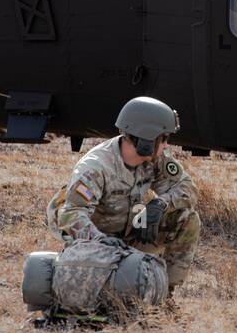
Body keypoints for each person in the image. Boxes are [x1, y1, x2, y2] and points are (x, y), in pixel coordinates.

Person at [46, 96, 201, 293]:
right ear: (147, 139)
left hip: (130, 228)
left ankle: (164, 293)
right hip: (94, 238)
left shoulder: (154, 158)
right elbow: (71, 214)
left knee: (187, 219)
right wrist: (100, 241)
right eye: (164, 139)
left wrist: (159, 205)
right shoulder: (96, 167)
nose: (166, 146)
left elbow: (187, 187)